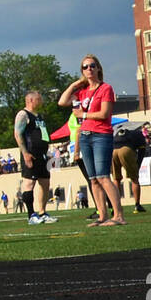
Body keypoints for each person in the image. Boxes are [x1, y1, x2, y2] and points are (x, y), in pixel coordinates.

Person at [58, 55, 126, 226]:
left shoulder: (105, 88)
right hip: (85, 136)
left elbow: (104, 114)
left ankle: (118, 215)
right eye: (85, 67)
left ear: (98, 68)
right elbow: (62, 101)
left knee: (103, 176)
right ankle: (102, 215)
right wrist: (74, 84)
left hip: (101, 135)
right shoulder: (82, 91)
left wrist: (84, 114)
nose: (89, 69)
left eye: (92, 66)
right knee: (93, 178)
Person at [13, 91, 56, 225]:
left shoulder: (39, 116)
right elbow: (18, 134)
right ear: (31, 100)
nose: (41, 101)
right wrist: (25, 153)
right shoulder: (23, 115)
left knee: (45, 182)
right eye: (39, 99)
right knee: (29, 183)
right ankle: (31, 215)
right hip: (31, 153)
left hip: (42, 154)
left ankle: (42, 212)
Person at [111, 123, 149, 214]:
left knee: (116, 179)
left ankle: (116, 206)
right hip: (126, 149)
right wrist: (138, 165)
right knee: (134, 178)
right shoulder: (138, 133)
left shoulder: (117, 131)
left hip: (113, 150)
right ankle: (137, 205)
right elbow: (142, 150)